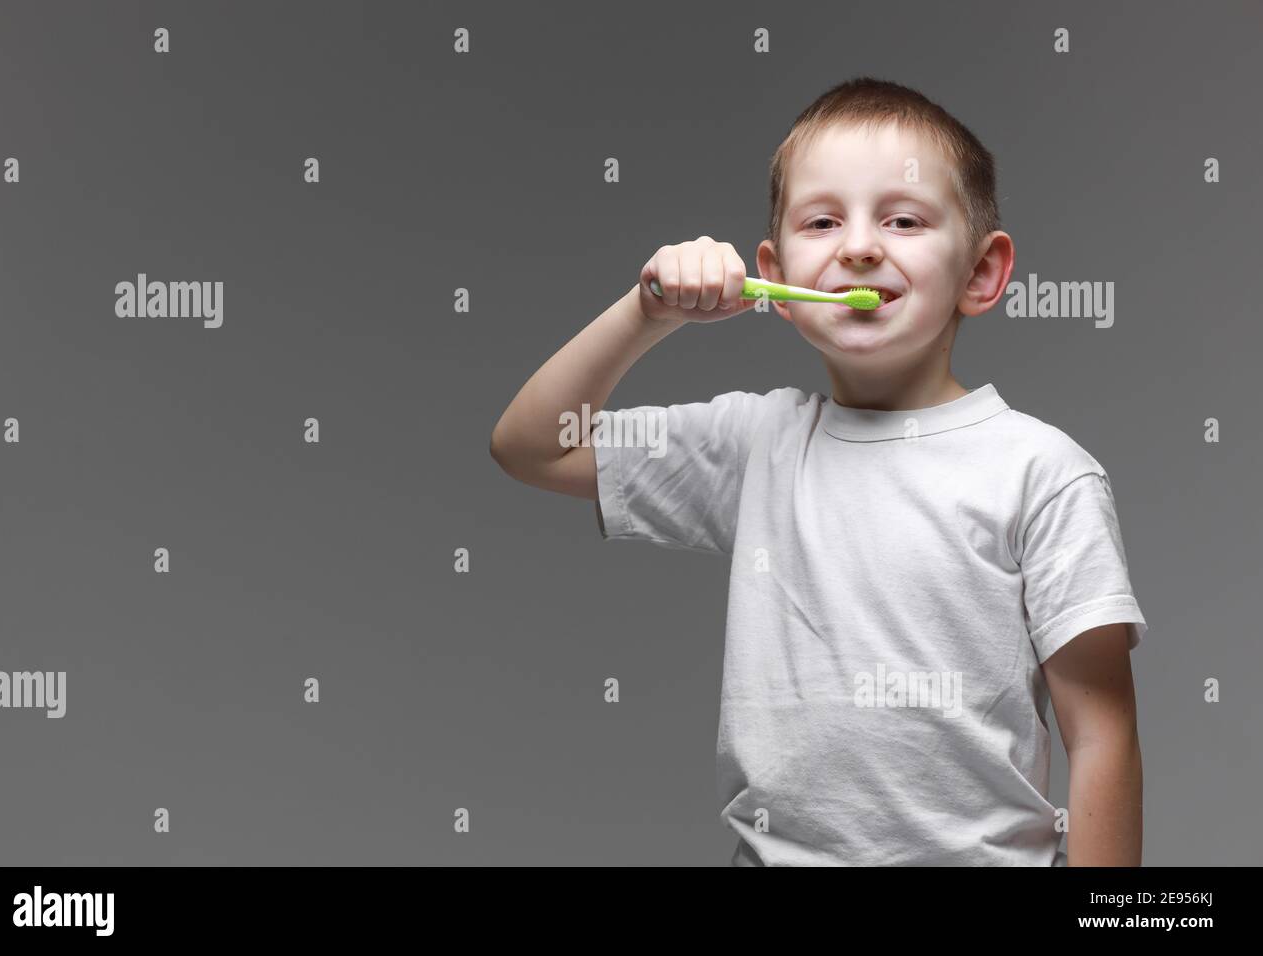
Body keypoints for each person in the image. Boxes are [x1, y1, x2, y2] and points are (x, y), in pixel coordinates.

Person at [489, 76, 1147, 866]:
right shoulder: (755, 442)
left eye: (903, 219)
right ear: (778, 279)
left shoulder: (1043, 472)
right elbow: (532, 446)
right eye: (823, 220)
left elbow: (1102, 735)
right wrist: (648, 311)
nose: (860, 246)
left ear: (980, 273)